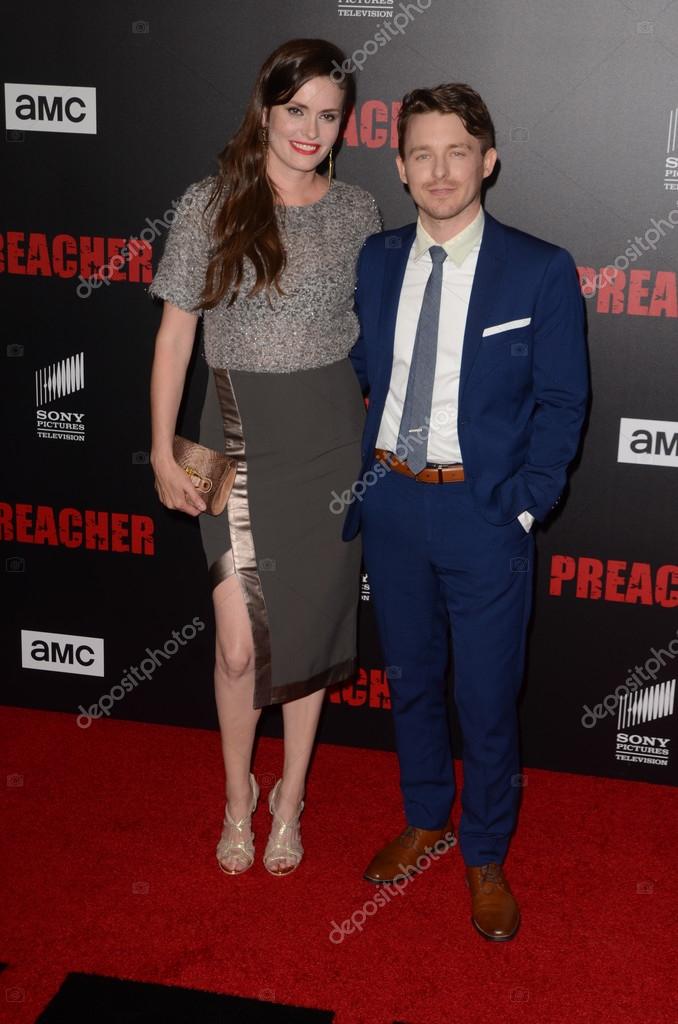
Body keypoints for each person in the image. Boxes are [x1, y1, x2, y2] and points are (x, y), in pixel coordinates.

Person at [345, 83, 588, 939]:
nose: (439, 169)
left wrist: (525, 507)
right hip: (392, 502)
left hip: (483, 514)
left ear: (488, 160)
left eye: (457, 151)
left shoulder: (539, 268)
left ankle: (484, 854)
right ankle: (425, 819)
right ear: (401, 167)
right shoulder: (374, 260)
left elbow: (563, 403)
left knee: (486, 696)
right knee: (410, 680)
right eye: (421, 153)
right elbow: (361, 376)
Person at [147, 38, 381, 877]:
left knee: (311, 635)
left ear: (344, 122)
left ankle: (292, 800)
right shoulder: (211, 204)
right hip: (234, 434)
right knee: (241, 645)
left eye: (328, 114)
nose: (311, 129)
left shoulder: (358, 212)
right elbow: (176, 336)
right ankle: (237, 799)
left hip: (329, 441)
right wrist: (160, 446)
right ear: (266, 109)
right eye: (296, 111)